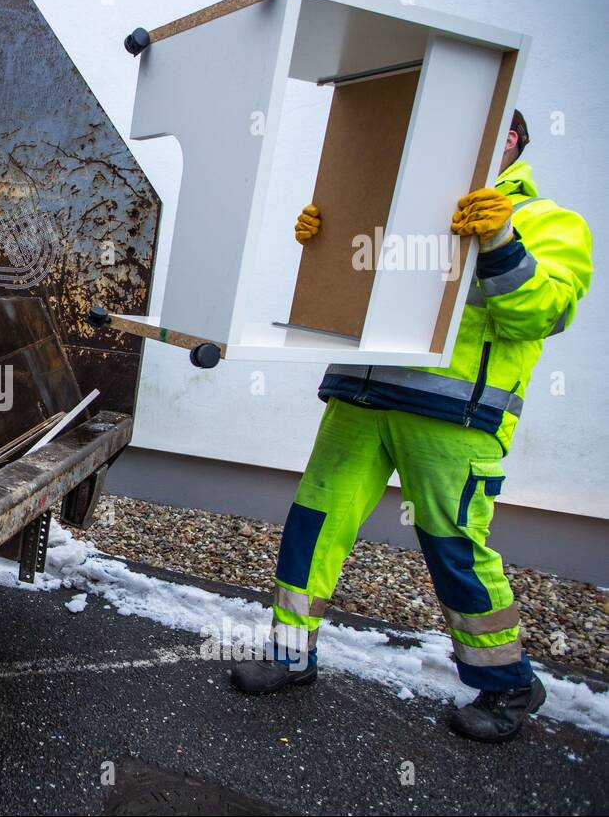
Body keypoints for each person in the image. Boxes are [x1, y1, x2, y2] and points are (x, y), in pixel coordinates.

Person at [230, 110, 594, 743]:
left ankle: (509, 684)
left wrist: (502, 238)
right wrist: (327, 244)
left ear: (510, 139)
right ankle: (290, 655)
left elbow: (542, 315)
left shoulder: (549, 220)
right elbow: (350, 291)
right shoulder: (399, 206)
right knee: (312, 526)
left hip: (455, 416)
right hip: (362, 396)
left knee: (454, 547)